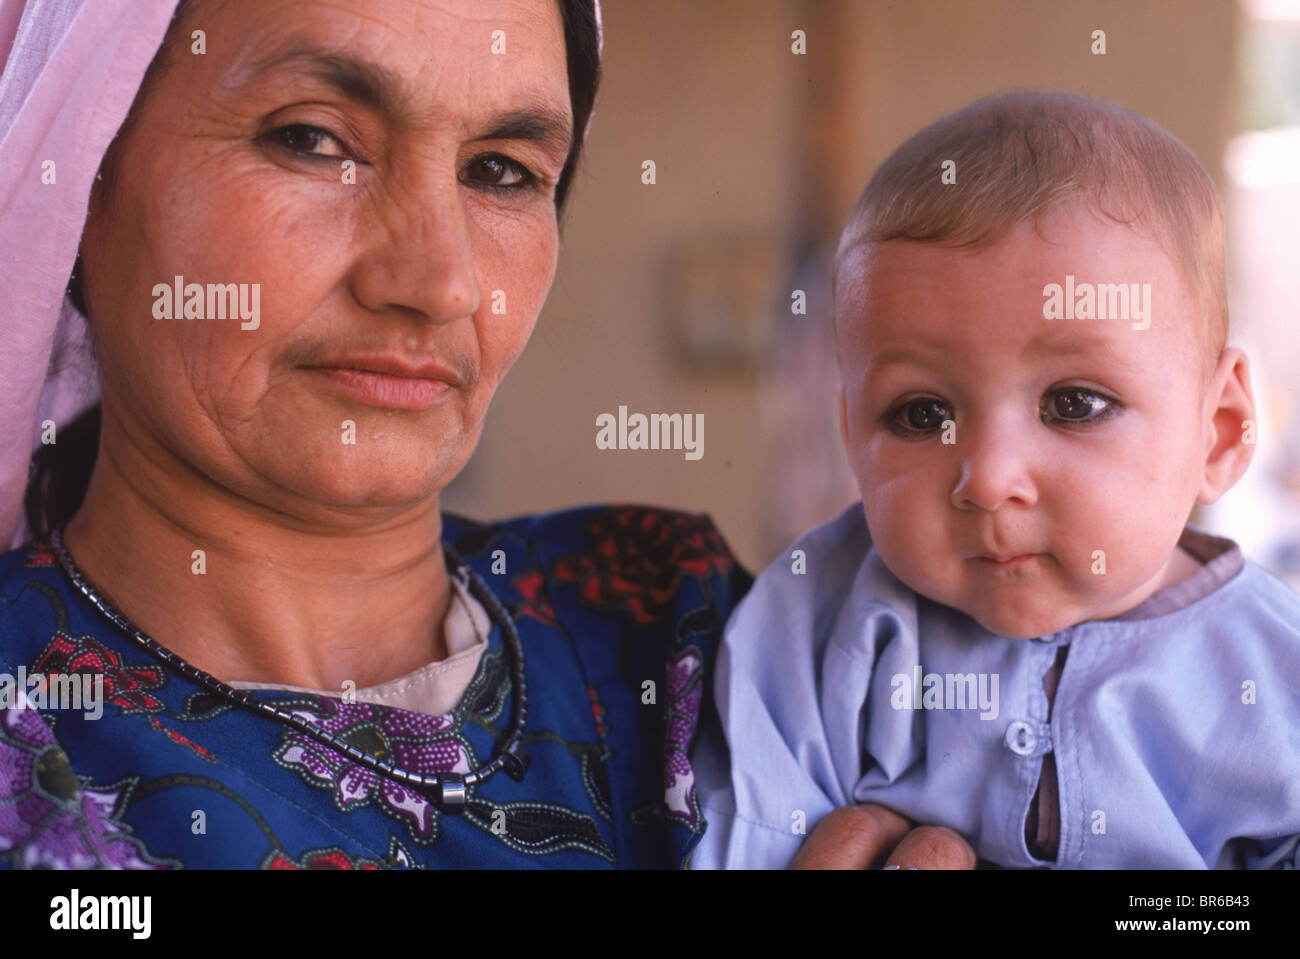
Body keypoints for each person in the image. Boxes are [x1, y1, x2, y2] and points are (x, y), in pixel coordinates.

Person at [0, 0, 762, 869]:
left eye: (501, 170)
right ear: (80, 166)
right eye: (313, 140)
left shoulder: (692, 639)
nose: (439, 281)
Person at [690, 90, 1300, 870]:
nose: (988, 478)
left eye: (1074, 403)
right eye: (919, 414)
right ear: (853, 436)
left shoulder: (1269, 672)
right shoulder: (820, 626)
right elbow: (744, 833)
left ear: (1218, 431)